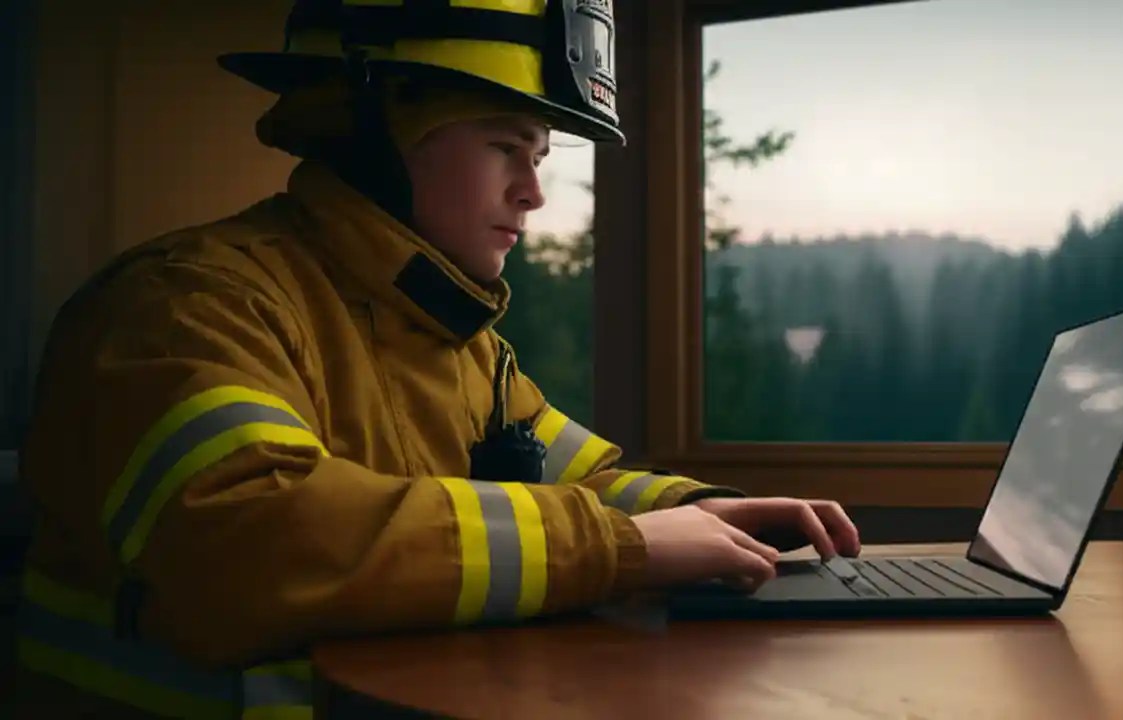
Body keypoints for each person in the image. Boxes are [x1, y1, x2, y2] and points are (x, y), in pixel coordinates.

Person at [11, 1, 861, 717]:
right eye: (503, 146)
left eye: (539, 156)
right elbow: (255, 543)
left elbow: (586, 481)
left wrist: (705, 510)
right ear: (375, 128)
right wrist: (623, 547)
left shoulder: (459, 344)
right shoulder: (183, 305)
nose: (533, 191)